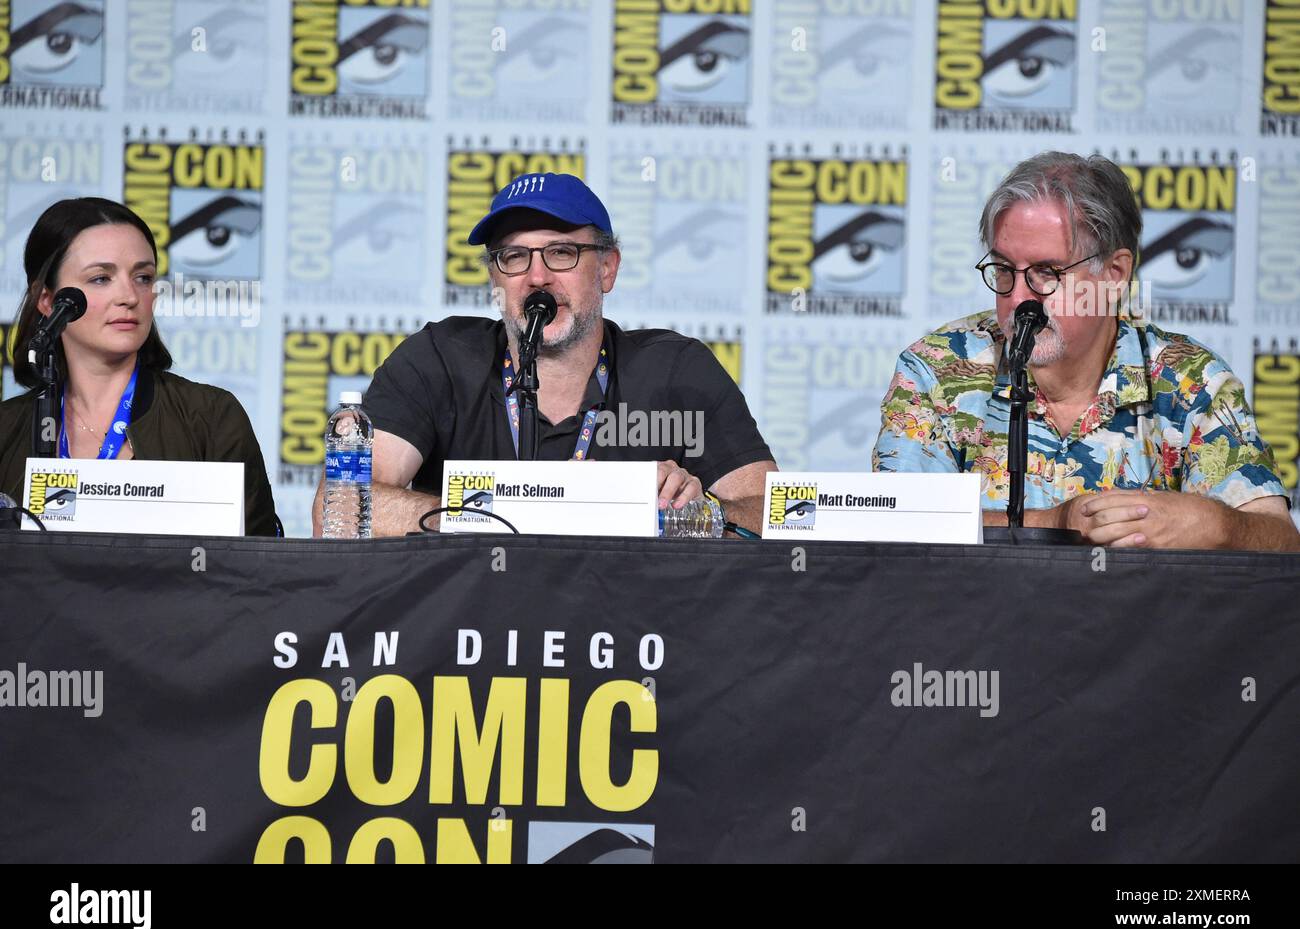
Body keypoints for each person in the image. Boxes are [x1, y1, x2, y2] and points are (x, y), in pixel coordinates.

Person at [873, 152, 1298, 551]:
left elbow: (1281, 541)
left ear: (1114, 275)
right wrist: (1054, 524)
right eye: (1004, 269)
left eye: (1046, 272)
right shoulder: (936, 370)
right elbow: (895, 527)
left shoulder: (1191, 381)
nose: (1020, 297)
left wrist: (1216, 525)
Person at [313, 172, 776, 536]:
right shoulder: (438, 360)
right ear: (496, 277)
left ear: (608, 269)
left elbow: (777, 519)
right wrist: (519, 512)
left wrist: (700, 517)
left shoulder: (676, 371)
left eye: (561, 252)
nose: (537, 277)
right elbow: (338, 509)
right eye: (514, 256)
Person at [0, 197, 278, 536]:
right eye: (101, 278)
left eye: (143, 277)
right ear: (47, 300)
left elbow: (260, 573)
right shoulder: (7, 429)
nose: (129, 296)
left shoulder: (212, 417)